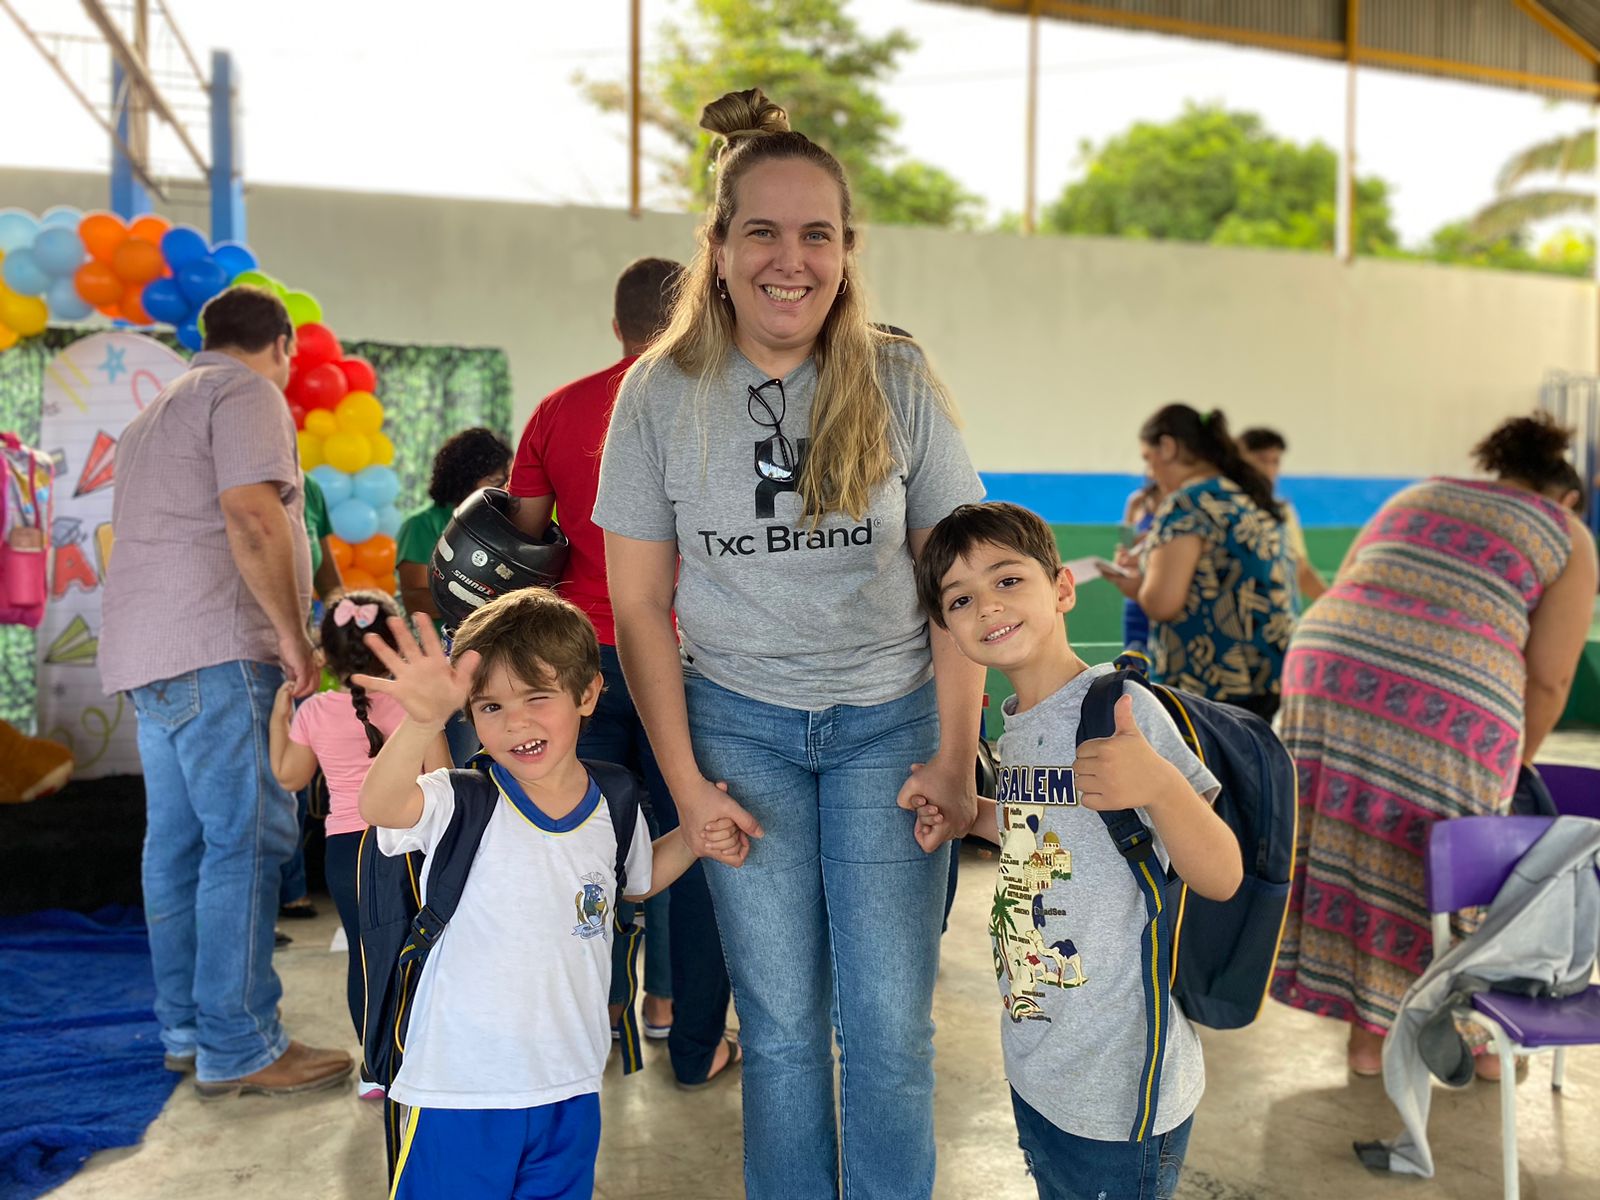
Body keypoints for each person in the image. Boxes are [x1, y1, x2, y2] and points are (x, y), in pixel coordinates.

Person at [594, 87, 986, 1199]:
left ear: (846, 251)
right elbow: (637, 608)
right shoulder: (659, 395)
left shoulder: (896, 379)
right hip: (738, 734)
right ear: (715, 248)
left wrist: (955, 761)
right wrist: (685, 783)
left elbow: (957, 587)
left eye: (816, 233)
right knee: (774, 1032)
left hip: (889, 730)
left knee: (888, 1034)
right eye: (759, 230)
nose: (789, 259)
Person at [351, 588, 738, 1198]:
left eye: (538, 697)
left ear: (587, 695)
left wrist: (696, 836)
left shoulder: (615, 799)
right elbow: (379, 806)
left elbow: (637, 881)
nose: (517, 722)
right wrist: (423, 722)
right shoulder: (460, 799)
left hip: (570, 1084)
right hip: (457, 1089)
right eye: (491, 706)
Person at [909, 501, 1240, 1200]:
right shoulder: (1018, 727)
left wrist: (1156, 781)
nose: (987, 607)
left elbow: (1220, 873)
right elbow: (1052, 836)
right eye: (960, 599)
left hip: (1120, 1089)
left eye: (1007, 581)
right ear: (948, 630)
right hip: (1040, 1058)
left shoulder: (1121, 709)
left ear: (1062, 588)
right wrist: (972, 817)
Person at [1270, 412, 1597, 1078]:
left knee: (1348, 840)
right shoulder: (1567, 533)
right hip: (1446, 693)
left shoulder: (1417, 493)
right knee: (1438, 856)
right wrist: (1510, 772)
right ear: (1564, 495)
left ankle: (1367, 1039)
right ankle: (1456, 1034)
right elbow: (1552, 675)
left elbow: (1353, 580)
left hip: (1326, 666)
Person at [99, 284, 352, 1097]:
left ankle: (185, 1030)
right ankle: (241, 1044)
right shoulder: (245, 392)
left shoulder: (153, 415)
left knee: (175, 848)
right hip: (217, 646)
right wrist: (291, 632)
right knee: (246, 841)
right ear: (280, 345)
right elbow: (251, 514)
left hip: (148, 657)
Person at [506, 256, 737, 1085]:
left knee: (581, 841)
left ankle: (592, 1020)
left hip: (579, 660)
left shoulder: (557, 411)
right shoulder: (720, 404)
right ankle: (690, 1034)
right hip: (694, 656)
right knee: (698, 838)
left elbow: (524, 537)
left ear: (616, 325)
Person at [266, 589, 450, 1099]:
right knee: (421, 951)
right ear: (395, 643)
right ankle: (422, 1061)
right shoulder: (413, 708)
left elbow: (287, 777)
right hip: (408, 842)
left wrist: (278, 719)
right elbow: (440, 778)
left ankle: (375, 1071)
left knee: (364, 956)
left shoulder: (314, 713)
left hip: (346, 851)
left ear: (325, 654)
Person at [1106, 404, 1295, 721]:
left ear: (1167, 447)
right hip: (1269, 676)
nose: (1150, 472)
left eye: (1148, 459)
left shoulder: (1187, 502)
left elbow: (1163, 603)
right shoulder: (1244, 495)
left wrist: (1136, 586)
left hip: (1214, 684)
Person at [395, 427, 512, 763]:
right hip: (437, 664)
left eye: (507, 478)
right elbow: (416, 598)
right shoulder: (421, 525)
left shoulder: (502, 525)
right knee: (448, 764)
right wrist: (483, 605)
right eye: (494, 479)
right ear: (465, 478)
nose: (504, 487)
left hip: (485, 661)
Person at [1236, 427, 1327, 608]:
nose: (1268, 469)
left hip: (1281, 621)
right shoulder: (1226, 509)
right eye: (1261, 460)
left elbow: (1300, 569)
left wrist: (1332, 606)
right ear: (1238, 462)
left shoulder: (1283, 511)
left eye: (1275, 461)